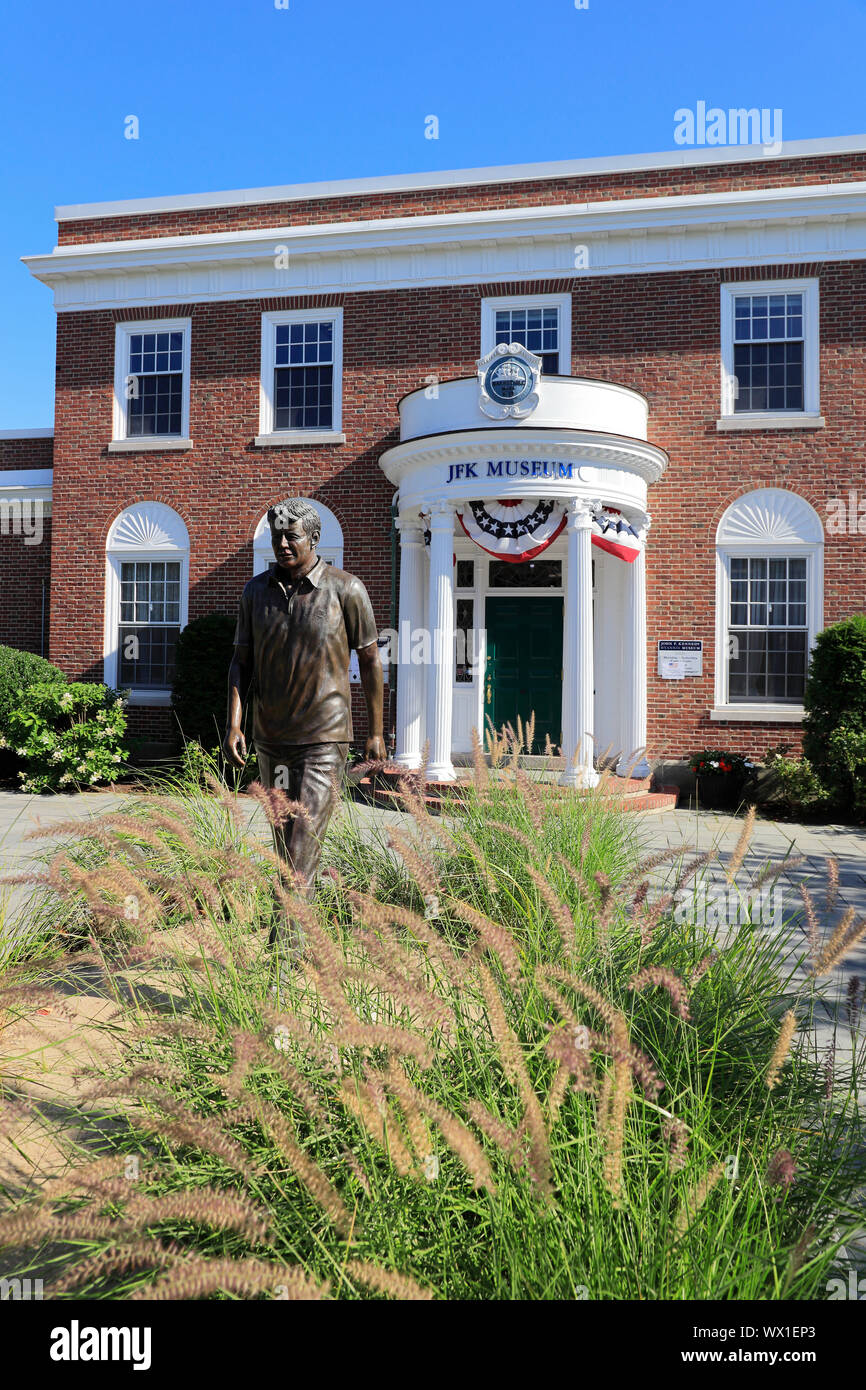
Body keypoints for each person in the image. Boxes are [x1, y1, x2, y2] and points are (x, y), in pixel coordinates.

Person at [224, 498, 385, 959]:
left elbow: (371, 661)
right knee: (286, 847)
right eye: (276, 536)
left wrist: (374, 730)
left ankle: (282, 957)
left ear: (313, 539)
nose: (282, 543)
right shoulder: (256, 593)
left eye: (290, 535)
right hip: (271, 739)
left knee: (302, 843)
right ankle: (305, 946)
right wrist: (235, 723)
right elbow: (240, 661)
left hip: (324, 738)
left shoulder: (346, 589)